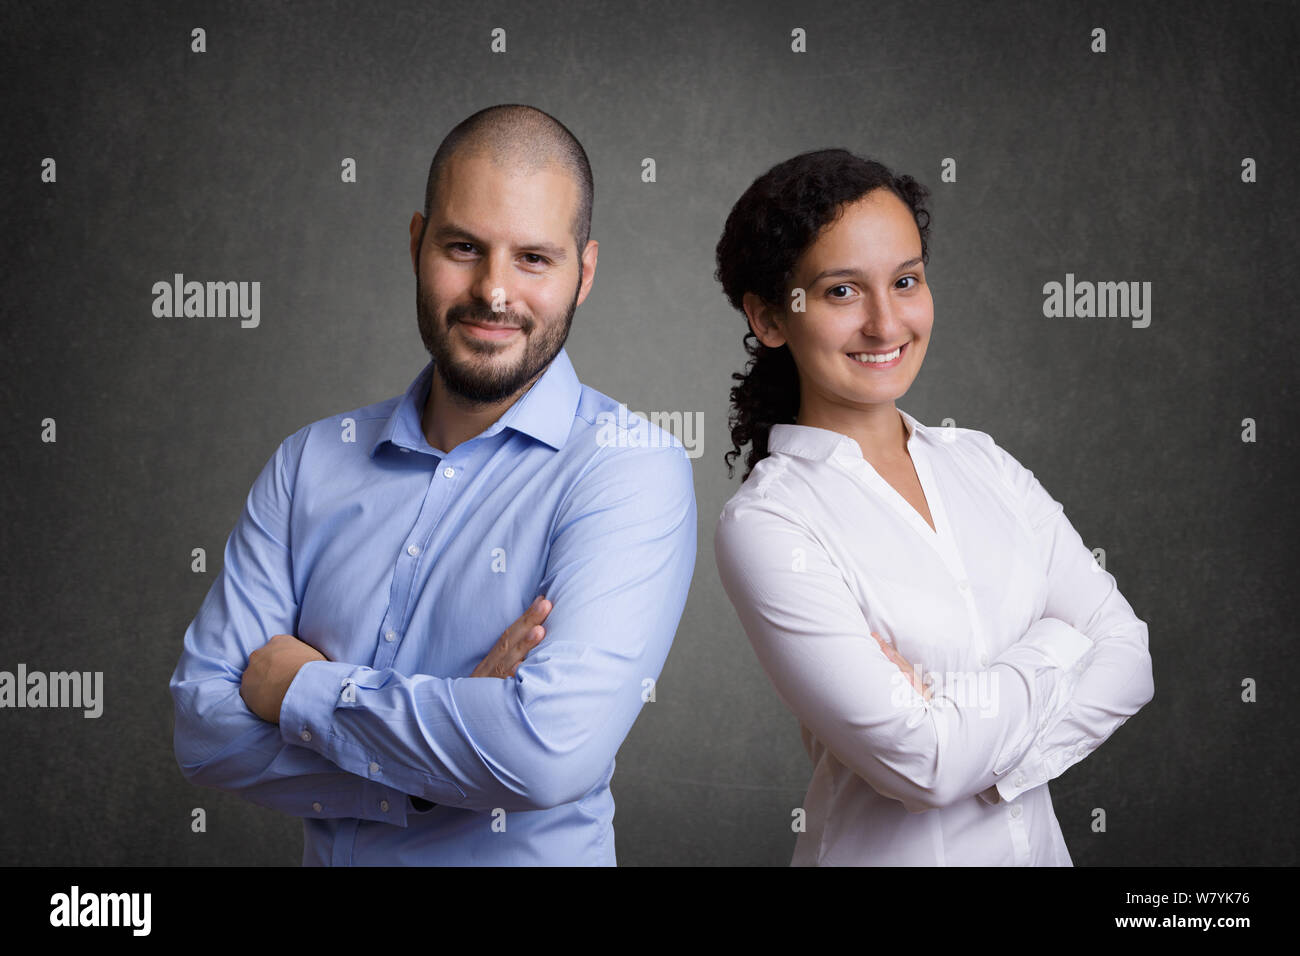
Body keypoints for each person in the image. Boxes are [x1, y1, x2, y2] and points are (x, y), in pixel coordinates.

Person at [168, 104, 697, 866]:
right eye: (463, 247)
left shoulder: (628, 468)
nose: (494, 292)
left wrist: (303, 692)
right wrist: (429, 767)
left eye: (534, 260)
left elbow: (545, 753)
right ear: (418, 244)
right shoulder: (309, 463)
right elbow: (205, 729)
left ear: (583, 274)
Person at [711, 149, 1154, 866]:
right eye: (842, 292)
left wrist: (964, 733)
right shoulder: (769, 525)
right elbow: (925, 764)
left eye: (906, 281)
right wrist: (1059, 647)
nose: (886, 324)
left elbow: (1131, 658)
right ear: (768, 318)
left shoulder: (984, 463)